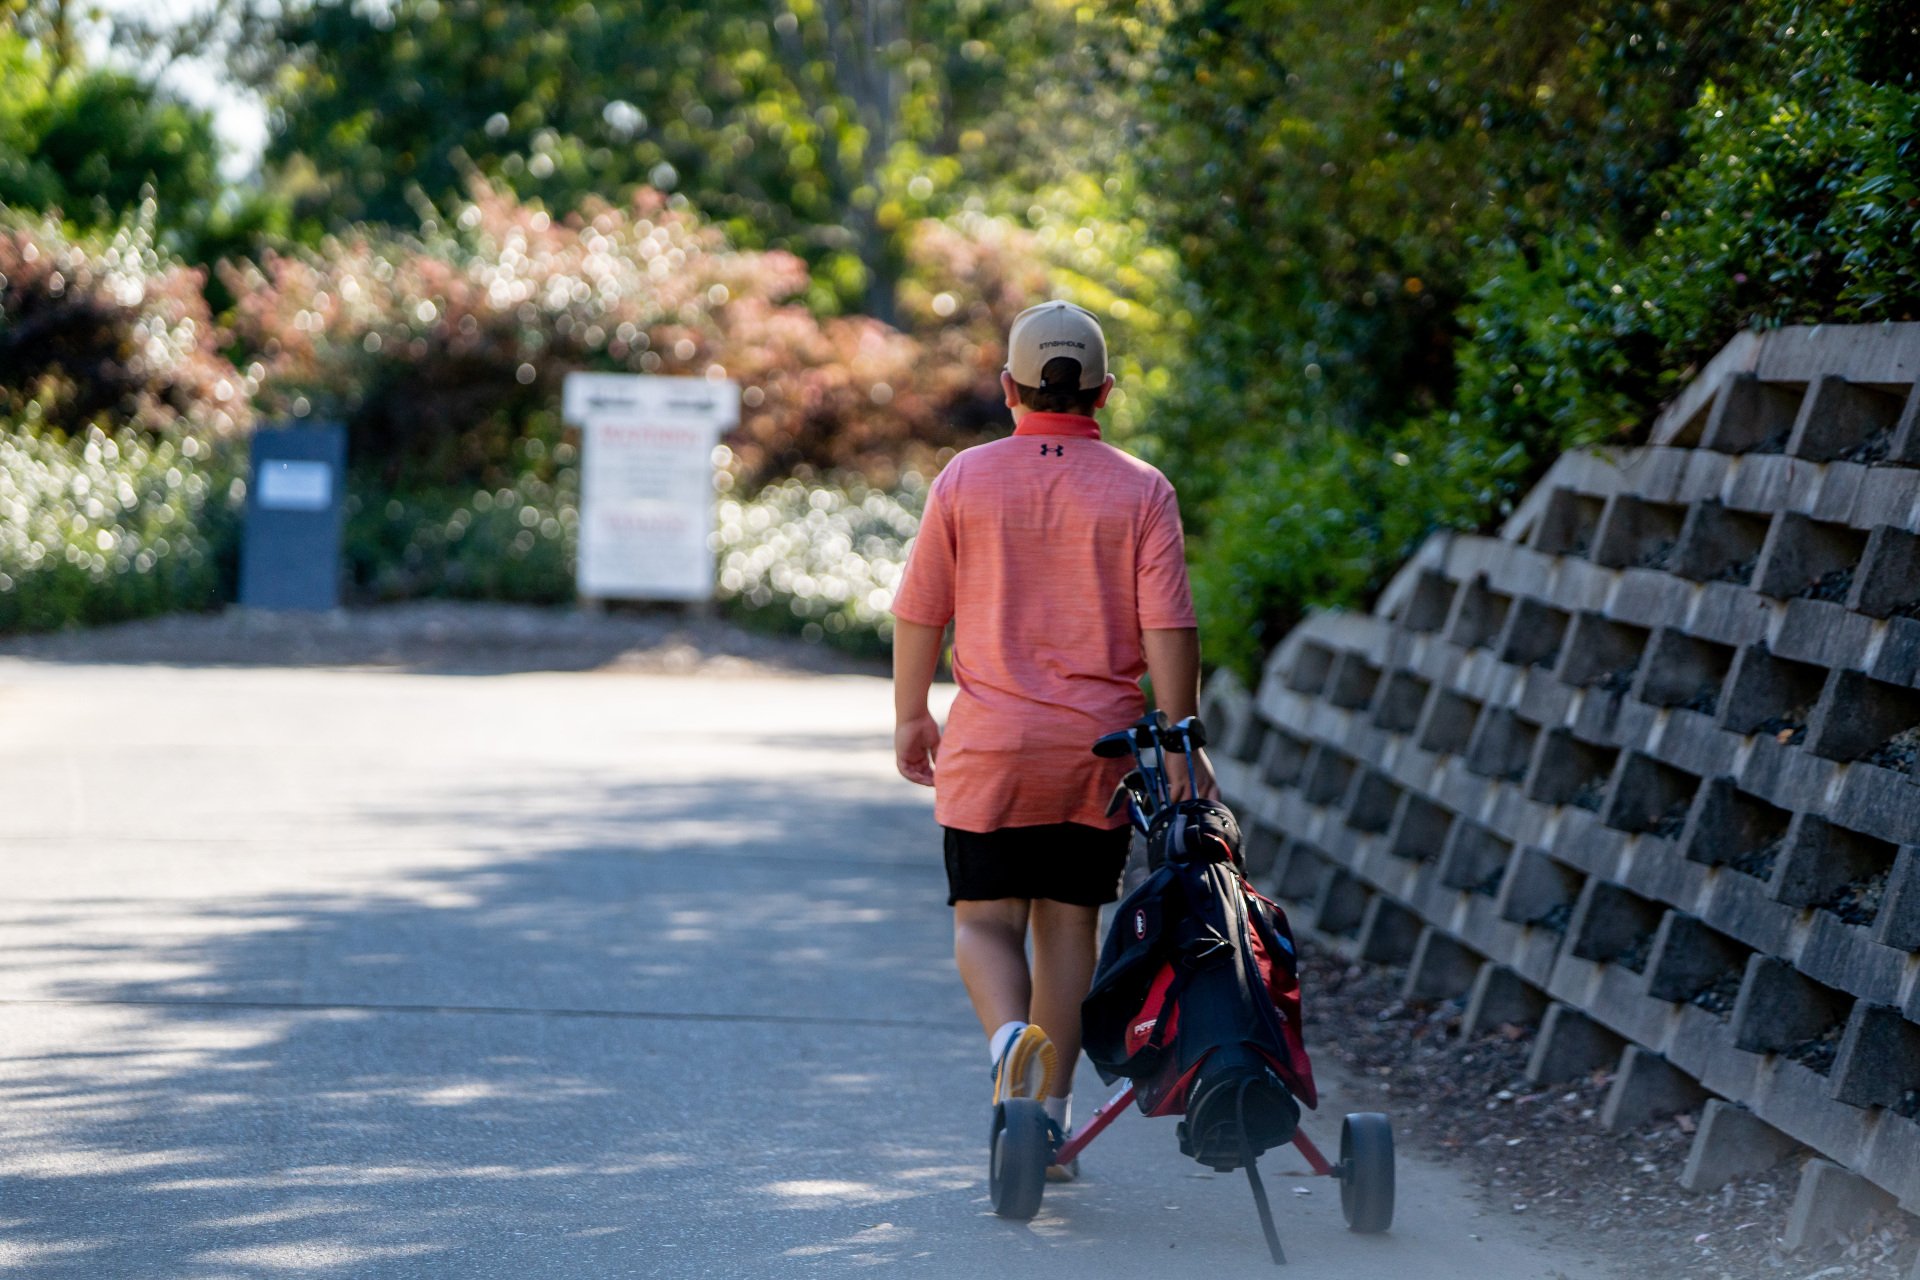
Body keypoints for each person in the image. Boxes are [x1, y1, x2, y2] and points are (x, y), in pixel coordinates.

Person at [890, 299, 1217, 1169]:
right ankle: (1050, 1121)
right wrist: (1181, 742)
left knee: (984, 919)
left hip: (991, 745)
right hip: (1096, 754)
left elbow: (921, 611)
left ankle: (1007, 1048)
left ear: (1009, 388)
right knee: (1069, 927)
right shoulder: (1142, 488)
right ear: (1105, 390)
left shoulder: (965, 479)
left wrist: (911, 713)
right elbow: (1170, 628)